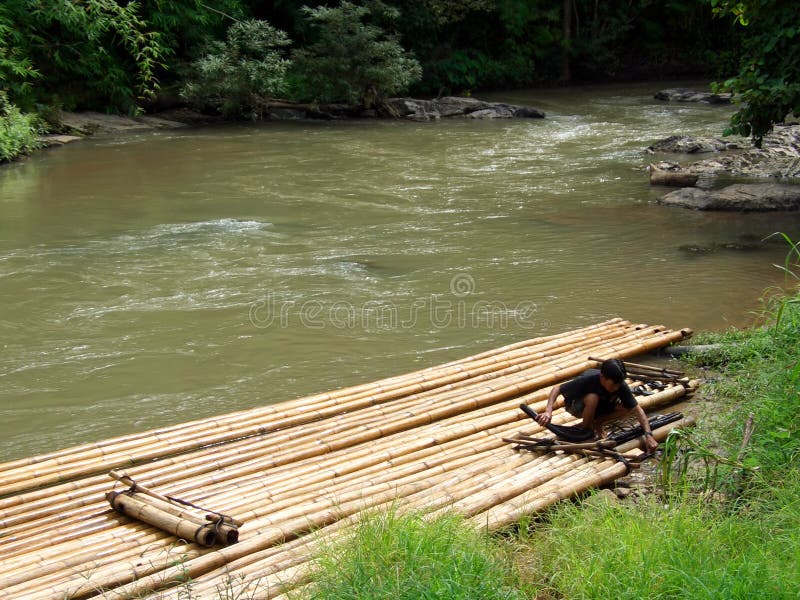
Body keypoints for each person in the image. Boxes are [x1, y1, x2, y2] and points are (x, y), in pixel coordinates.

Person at [535, 359, 658, 453]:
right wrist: (548, 412)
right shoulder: (588, 379)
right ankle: (586, 431)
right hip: (577, 406)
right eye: (613, 385)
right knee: (592, 397)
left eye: (618, 385)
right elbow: (557, 389)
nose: (615, 388)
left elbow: (638, 410)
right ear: (602, 378)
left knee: (626, 407)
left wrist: (648, 435)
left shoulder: (620, 385)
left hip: (601, 406)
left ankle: (596, 422)